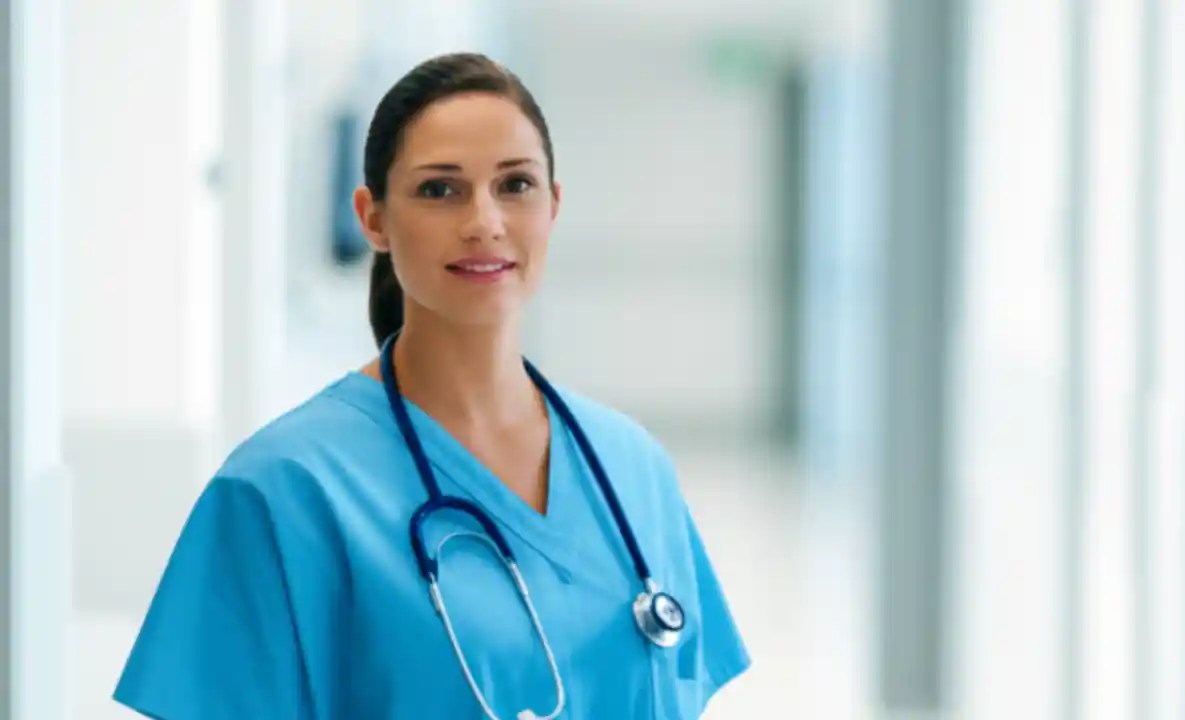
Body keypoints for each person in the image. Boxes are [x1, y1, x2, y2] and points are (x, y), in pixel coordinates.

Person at [113, 52, 750, 719]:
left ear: (554, 205)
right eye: (440, 190)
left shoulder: (631, 466)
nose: (485, 221)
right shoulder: (285, 489)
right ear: (373, 218)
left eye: (516, 185)